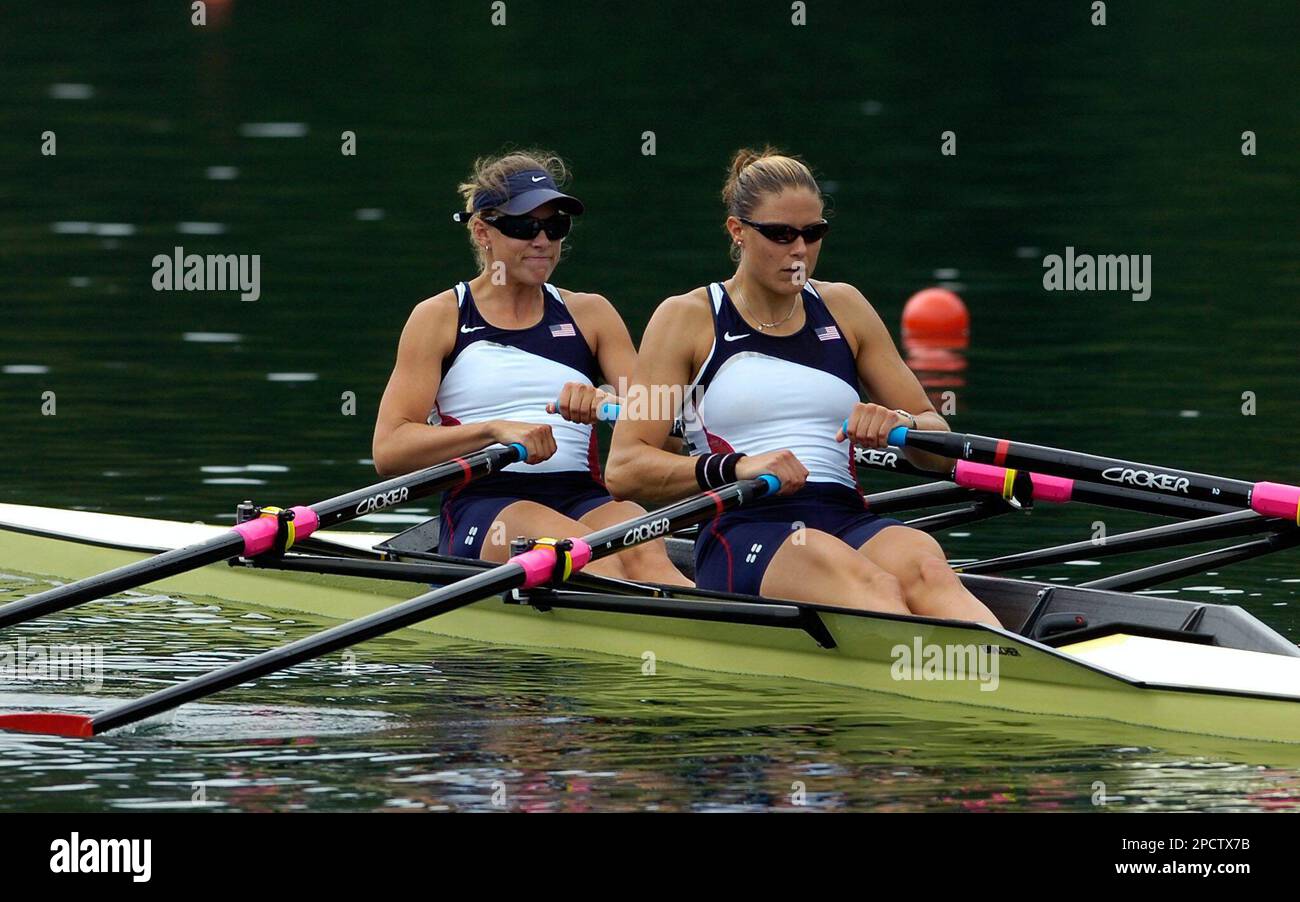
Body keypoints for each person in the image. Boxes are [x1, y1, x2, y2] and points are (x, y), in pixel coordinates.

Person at [605, 147, 999, 623]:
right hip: (744, 526)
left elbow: (938, 446)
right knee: (868, 582)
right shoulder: (686, 319)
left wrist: (905, 425)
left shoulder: (845, 308)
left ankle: (1021, 677)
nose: (799, 250)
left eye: (813, 234)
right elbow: (625, 468)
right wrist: (738, 467)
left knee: (925, 563)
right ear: (738, 231)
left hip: (847, 517)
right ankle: (935, 675)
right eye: (781, 234)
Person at [373, 149, 688, 585]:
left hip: (584, 497)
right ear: (483, 231)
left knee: (647, 557)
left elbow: (670, 439)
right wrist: (493, 431)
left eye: (555, 226)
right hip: (486, 504)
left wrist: (611, 407)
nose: (542, 241)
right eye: (524, 227)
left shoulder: (591, 314)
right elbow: (389, 450)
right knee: (599, 562)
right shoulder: (441, 317)